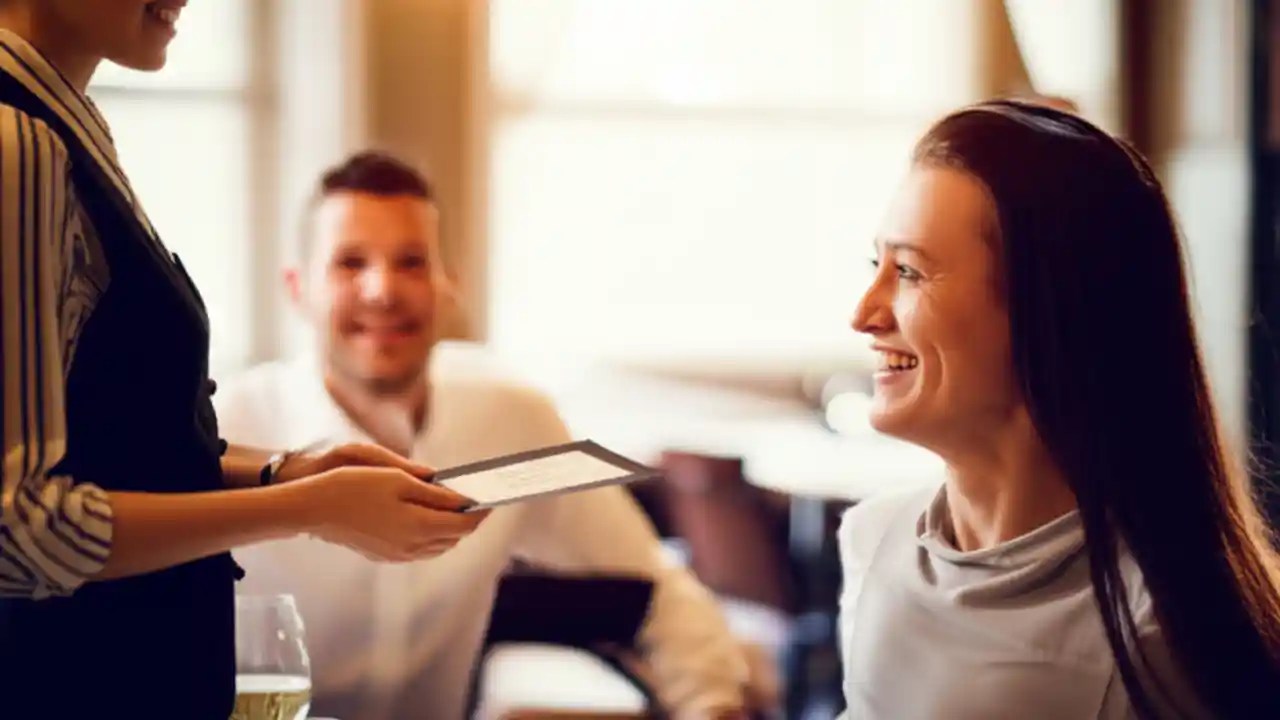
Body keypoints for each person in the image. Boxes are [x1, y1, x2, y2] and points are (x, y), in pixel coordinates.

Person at [0, 4, 483, 718]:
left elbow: (114, 450)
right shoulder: (20, 147)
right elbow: (17, 526)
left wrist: (291, 470)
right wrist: (309, 507)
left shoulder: (67, 129)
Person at [216, 151, 751, 720]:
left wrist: (712, 704)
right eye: (350, 263)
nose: (382, 290)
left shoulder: (512, 421)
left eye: (412, 263)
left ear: (449, 286)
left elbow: (656, 587)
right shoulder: (233, 428)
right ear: (298, 288)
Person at [840, 99, 1280, 718]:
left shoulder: (1165, 636)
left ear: (1046, 311)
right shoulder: (872, 542)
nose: (864, 313)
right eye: (876, 264)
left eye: (910, 271)